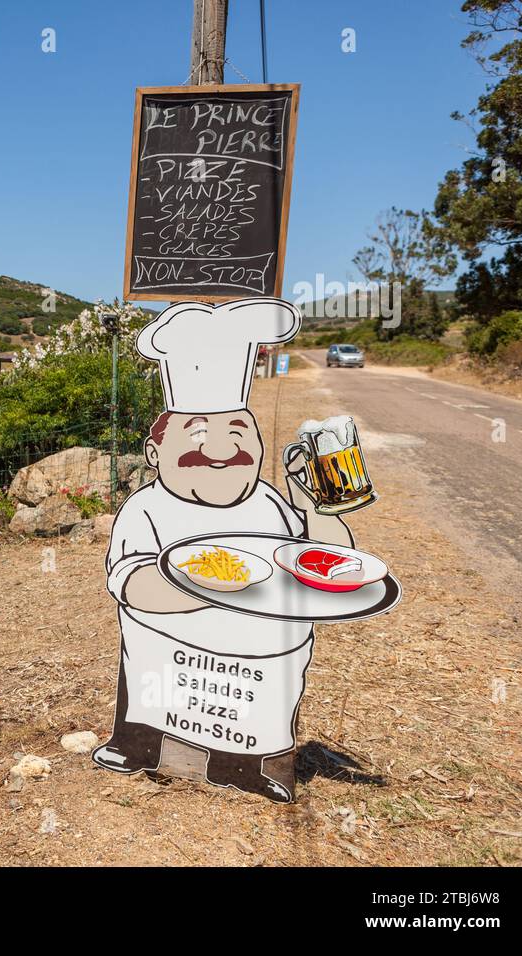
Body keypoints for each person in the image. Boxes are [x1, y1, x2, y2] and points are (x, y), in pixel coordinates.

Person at [93, 297, 353, 802]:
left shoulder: (271, 501)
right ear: (154, 454)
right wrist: (210, 586)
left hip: (256, 655)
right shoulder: (145, 509)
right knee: (149, 682)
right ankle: (138, 745)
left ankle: (248, 766)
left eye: (238, 431)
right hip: (168, 650)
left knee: (259, 699)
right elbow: (130, 582)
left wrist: (320, 505)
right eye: (198, 434)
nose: (220, 448)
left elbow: (331, 564)